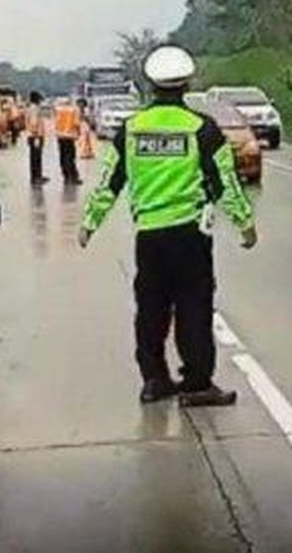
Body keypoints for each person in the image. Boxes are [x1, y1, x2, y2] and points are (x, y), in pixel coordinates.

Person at [78, 45, 256, 406]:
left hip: (149, 237)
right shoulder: (202, 129)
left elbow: (110, 181)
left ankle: (154, 380)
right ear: (186, 84)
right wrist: (245, 224)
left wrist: (89, 223)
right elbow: (225, 183)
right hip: (190, 235)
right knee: (194, 307)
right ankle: (196, 383)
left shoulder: (132, 129)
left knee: (151, 308)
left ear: (151, 85)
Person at [54, 97, 83, 184]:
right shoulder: (74, 110)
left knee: (62, 156)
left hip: (60, 136)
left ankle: (66, 176)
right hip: (70, 136)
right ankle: (73, 176)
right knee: (70, 157)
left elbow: (56, 121)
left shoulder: (58, 109)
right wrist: (78, 133)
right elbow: (76, 123)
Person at [26, 91, 49, 186]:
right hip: (35, 135)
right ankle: (36, 177)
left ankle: (36, 176)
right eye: (39, 98)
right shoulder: (34, 109)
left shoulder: (30, 108)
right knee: (36, 158)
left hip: (32, 135)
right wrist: (36, 136)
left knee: (34, 157)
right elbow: (34, 123)